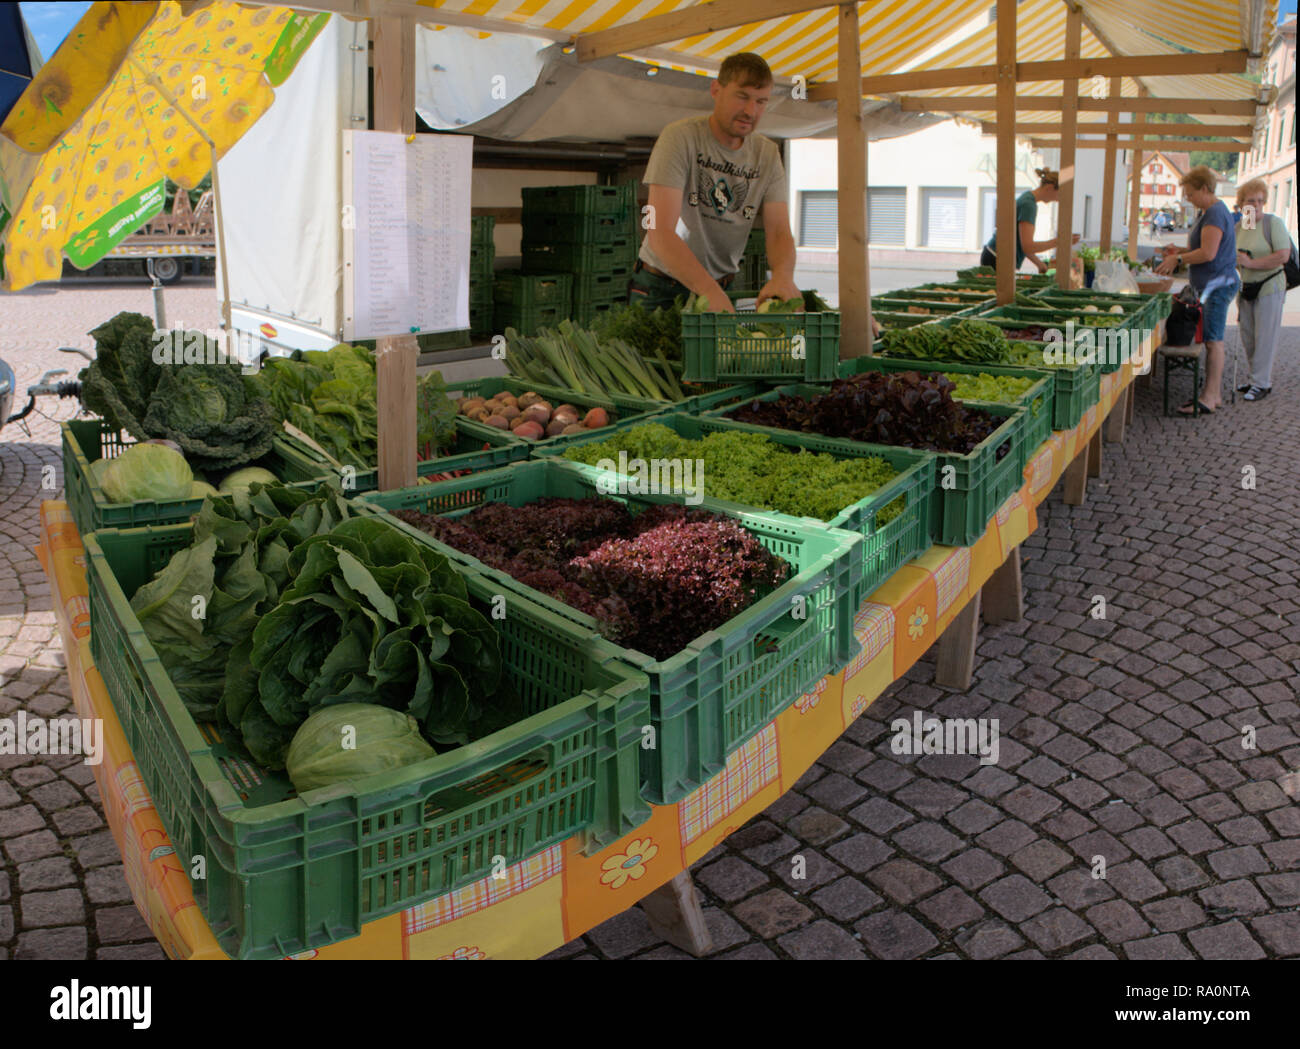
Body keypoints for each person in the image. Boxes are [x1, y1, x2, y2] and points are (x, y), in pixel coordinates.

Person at [632, 52, 803, 316]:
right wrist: (708, 290)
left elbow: (780, 230)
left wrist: (782, 275)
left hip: (722, 287)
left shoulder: (767, 155)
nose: (751, 111)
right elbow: (659, 232)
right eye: (742, 96)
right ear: (716, 90)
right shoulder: (680, 138)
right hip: (662, 288)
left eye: (761, 101)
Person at [1155, 165, 1240, 415]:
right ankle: (1213, 394)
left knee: (1214, 341)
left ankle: (1210, 397)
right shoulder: (1213, 211)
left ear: (1205, 188)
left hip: (1216, 285)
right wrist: (1179, 251)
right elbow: (1204, 247)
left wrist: (1178, 260)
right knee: (1212, 339)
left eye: (1191, 193)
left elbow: (1208, 253)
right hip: (1214, 283)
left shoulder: (1214, 213)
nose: (1188, 199)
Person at [1232, 178, 1290, 402]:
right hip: (1246, 287)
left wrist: (1250, 263)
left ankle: (1262, 383)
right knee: (1248, 336)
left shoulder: (1272, 224)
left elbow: (1282, 256)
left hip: (1270, 286)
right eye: (1250, 201)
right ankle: (1255, 378)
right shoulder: (1239, 228)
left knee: (1265, 336)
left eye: (1259, 201)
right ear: (1241, 204)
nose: (1255, 205)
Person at [979, 168, 1080, 274]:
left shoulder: (1027, 198)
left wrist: (1039, 264)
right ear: (1049, 188)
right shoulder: (1029, 205)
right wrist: (1059, 241)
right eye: (1058, 195)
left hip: (994, 256)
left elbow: (1020, 242)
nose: (1057, 200)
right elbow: (1028, 246)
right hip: (997, 259)